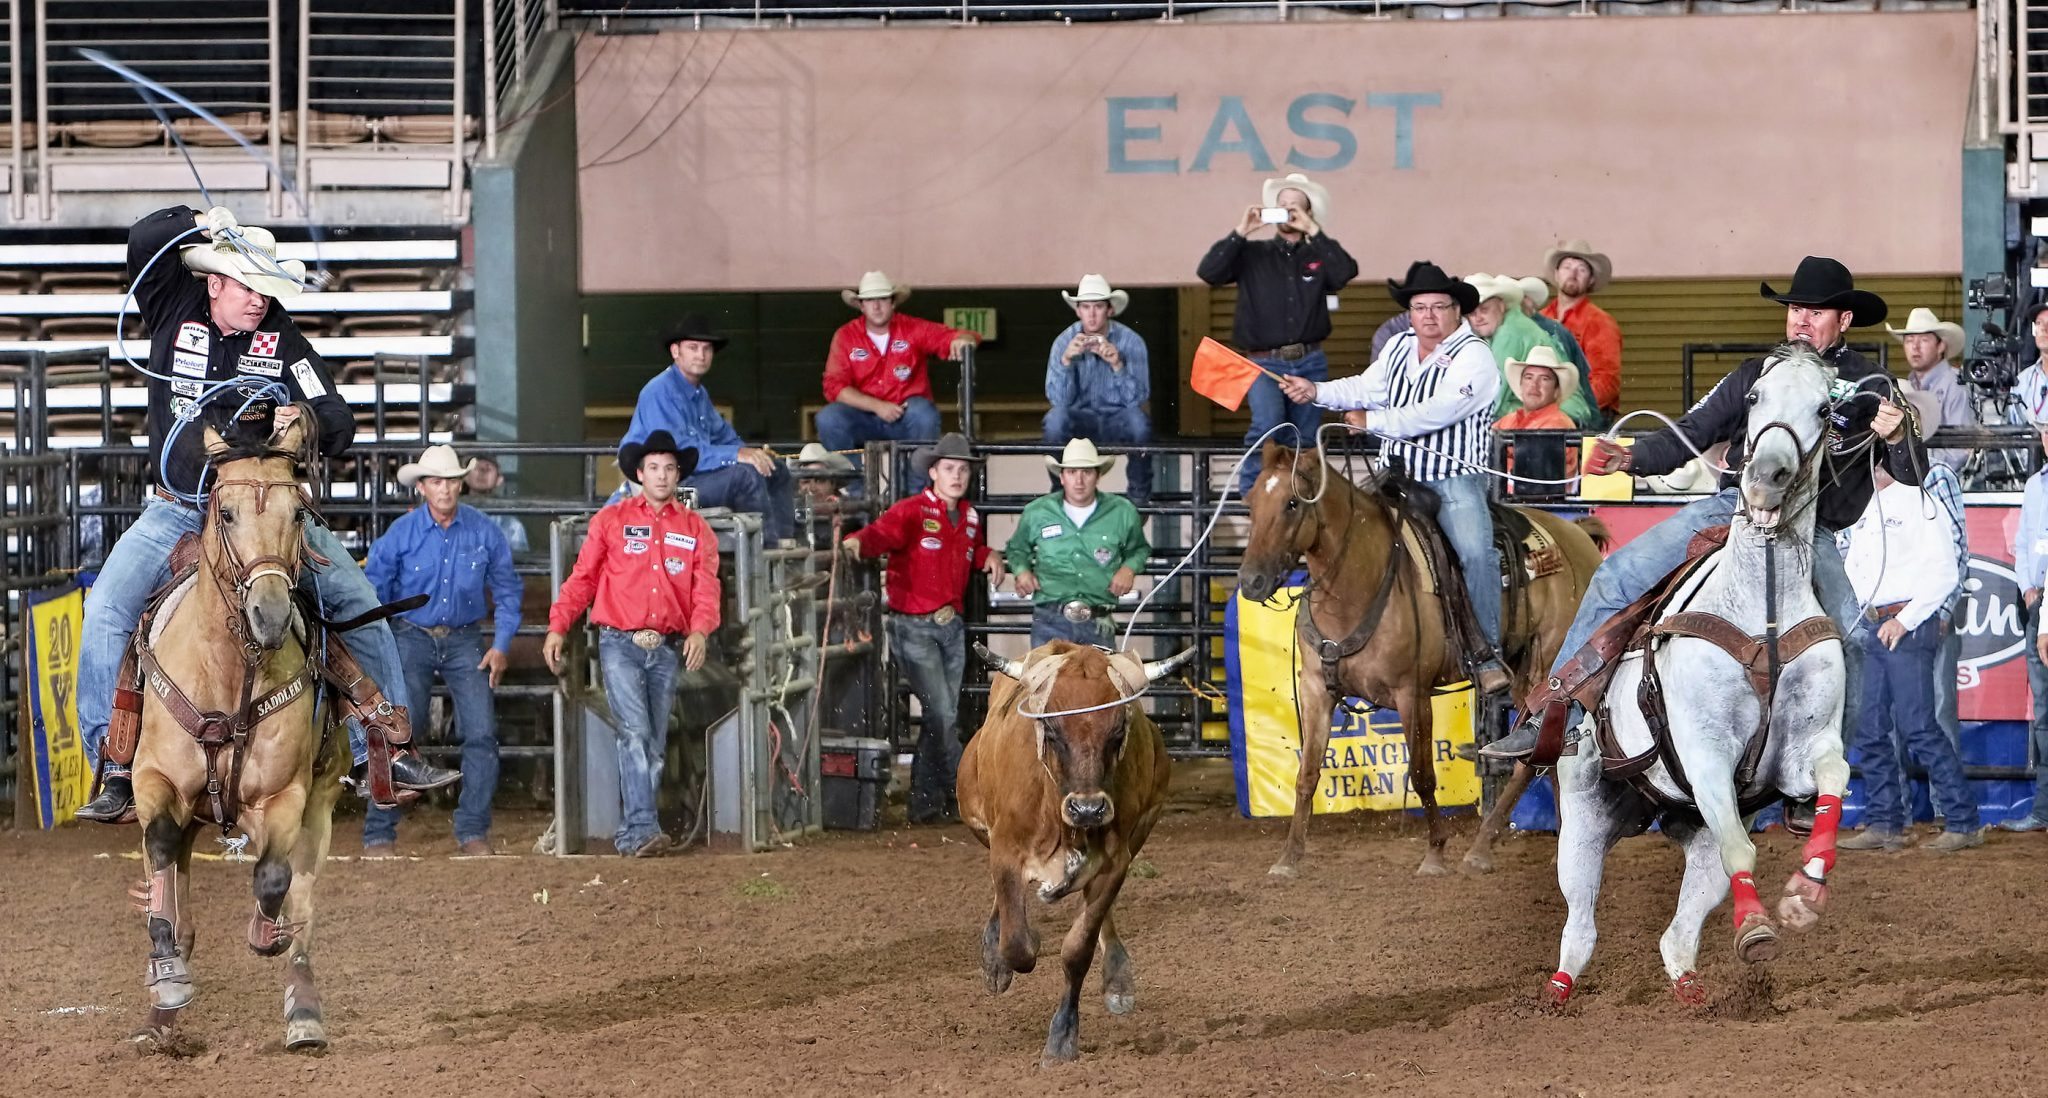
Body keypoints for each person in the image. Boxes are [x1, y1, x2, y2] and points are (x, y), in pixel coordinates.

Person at [76, 204, 458, 822]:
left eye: (267, 289)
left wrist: (304, 419)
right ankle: (114, 764)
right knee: (107, 608)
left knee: (356, 601)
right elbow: (145, 237)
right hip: (181, 506)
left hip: (267, 510)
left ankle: (386, 749)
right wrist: (198, 217)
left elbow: (338, 419)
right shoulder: (173, 305)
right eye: (249, 287)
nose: (259, 301)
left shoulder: (280, 338)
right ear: (215, 282)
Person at [1486, 255, 1927, 761]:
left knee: (1852, 635)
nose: (1801, 321)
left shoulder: (1873, 388)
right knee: (1615, 579)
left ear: (1844, 320)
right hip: (1731, 508)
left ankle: (1824, 764)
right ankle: (1555, 714)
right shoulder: (1756, 374)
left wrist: (1898, 436)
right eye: (1795, 310)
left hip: (1811, 532)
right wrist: (1634, 457)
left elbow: (1915, 473)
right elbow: (1693, 430)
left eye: (1816, 312)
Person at [1276, 261, 1512, 697]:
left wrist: (1375, 421)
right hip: (1395, 477)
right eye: (1420, 307)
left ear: (1456, 310)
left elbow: (1439, 411)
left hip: (1452, 479)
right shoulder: (1400, 346)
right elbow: (1367, 386)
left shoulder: (1475, 357)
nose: (1428, 316)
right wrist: (1318, 391)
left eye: (1438, 306)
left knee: (1476, 553)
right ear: (1410, 312)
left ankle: (1485, 654)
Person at [542, 432, 720, 857]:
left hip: (666, 645)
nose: (662, 475)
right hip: (620, 643)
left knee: (653, 741)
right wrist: (558, 625)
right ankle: (639, 829)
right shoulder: (611, 521)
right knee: (637, 733)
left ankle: (635, 831)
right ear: (640, 474)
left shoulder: (696, 529)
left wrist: (700, 630)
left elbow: (706, 589)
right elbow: (583, 578)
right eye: (654, 468)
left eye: (669, 468)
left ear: (678, 475)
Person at [362, 445, 523, 857]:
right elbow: (372, 592)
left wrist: (500, 646)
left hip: (465, 637)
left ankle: (472, 829)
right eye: (437, 481)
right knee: (397, 731)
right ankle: (380, 830)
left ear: (461, 483)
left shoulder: (484, 531)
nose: (445, 488)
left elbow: (508, 591)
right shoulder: (401, 534)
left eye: (451, 480)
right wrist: (379, 648)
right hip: (411, 635)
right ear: (423, 488)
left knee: (481, 732)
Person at [842, 433, 1005, 823]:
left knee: (938, 716)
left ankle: (925, 803)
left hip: (949, 628)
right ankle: (968, 795)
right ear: (933, 472)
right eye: (950, 469)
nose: (957, 476)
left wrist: (988, 554)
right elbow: (877, 536)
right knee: (944, 714)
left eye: (963, 470)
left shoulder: (967, 518)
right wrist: (853, 543)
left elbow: (972, 549)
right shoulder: (912, 512)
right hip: (914, 627)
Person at [1837, 461, 1982, 852]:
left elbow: (1946, 572)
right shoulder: (1865, 507)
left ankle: (1962, 821)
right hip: (1874, 624)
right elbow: (1853, 565)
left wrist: (1904, 620)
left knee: (1919, 726)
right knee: (1869, 728)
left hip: (1907, 625)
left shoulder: (1921, 501)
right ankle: (1887, 821)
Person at [1196, 172, 1359, 493]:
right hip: (1262, 362)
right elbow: (1208, 272)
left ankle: (1305, 496)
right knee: (1267, 425)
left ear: (1309, 213)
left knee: (1307, 433)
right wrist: (1241, 231)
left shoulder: (1318, 254)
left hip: (1310, 358)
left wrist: (1314, 231)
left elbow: (1345, 272)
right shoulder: (1252, 253)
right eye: (1282, 206)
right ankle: (1252, 495)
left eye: (1296, 207)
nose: (1287, 212)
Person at [625, 313, 796, 543]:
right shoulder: (659, 392)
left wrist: (752, 455)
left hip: (692, 478)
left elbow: (724, 436)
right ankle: (765, 556)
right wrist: (737, 455)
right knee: (745, 477)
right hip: (671, 483)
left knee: (776, 470)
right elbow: (684, 452)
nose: (701, 355)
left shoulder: (699, 394)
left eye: (707, 349)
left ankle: (786, 550)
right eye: (693, 348)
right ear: (676, 352)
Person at [816, 271, 977, 491]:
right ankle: (857, 492)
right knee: (829, 418)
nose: (877, 306)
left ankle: (913, 493)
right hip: (863, 418)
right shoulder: (845, 336)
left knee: (923, 414)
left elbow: (958, 336)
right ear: (861, 305)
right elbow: (833, 386)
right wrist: (878, 406)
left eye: (882, 299)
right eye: (870, 300)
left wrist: (962, 341)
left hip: (905, 416)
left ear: (893, 303)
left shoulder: (913, 328)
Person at [1007, 439, 1151, 648]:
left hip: (1098, 619)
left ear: (1098, 475)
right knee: (1047, 680)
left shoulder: (1122, 512)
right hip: (1050, 617)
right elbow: (1017, 548)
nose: (1079, 481)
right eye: (1072, 472)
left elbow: (1139, 549)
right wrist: (1022, 571)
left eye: (1087, 472)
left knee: (1097, 681)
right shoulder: (1037, 512)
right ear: (1062, 477)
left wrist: (1129, 568)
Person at [1045, 275, 1153, 508]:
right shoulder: (1063, 342)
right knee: (1055, 420)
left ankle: (1139, 496)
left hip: (1117, 419)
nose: (1092, 314)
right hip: (1080, 420)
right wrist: (1066, 361)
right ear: (1078, 311)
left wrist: (1117, 366)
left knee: (1138, 423)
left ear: (1110, 310)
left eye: (1098, 306)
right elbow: (1058, 400)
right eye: (1086, 307)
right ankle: (1059, 491)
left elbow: (1138, 399)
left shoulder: (1131, 342)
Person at [1466, 274, 1598, 428]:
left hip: (1560, 415)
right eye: (1471, 313)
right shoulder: (1506, 326)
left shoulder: (1510, 332)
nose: (1477, 318)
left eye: (1484, 309)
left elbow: (1494, 395)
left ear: (1501, 306)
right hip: (1557, 412)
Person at [2008, 419, 2048, 832]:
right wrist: (2027, 587)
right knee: (2044, 713)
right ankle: (2043, 808)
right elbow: (2023, 541)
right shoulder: (2036, 484)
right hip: (2039, 601)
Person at [1540, 240, 1624, 421]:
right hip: (1545, 416)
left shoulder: (1600, 323)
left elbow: (1606, 382)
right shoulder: (1540, 319)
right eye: (1567, 267)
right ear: (1556, 274)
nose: (1573, 273)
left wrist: (1566, 409)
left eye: (1582, 269)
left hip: (1587, 418)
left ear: (1591, 280)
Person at [1886, 308, 1972, 470]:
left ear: (1941, 346)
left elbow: (1961, 451)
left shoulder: (1955, 385)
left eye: (1924, 340)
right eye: (1910, 340)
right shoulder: (1908, 385)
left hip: (1943, 476)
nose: (1915, 347)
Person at [1493, 346, 1579, 431]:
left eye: (1544, 379)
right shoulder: (1508, 421)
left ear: (1556, 390)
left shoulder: (1557, 424)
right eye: (1529, 377)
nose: (1534, 385)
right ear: (1521, 385)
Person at [464, 454, 530, 554]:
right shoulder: (451, 516)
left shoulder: (512, 526)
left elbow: (520, 565)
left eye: (488, 468)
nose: (482, 471)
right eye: (477, 467)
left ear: (499, 480)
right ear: (465, 475)